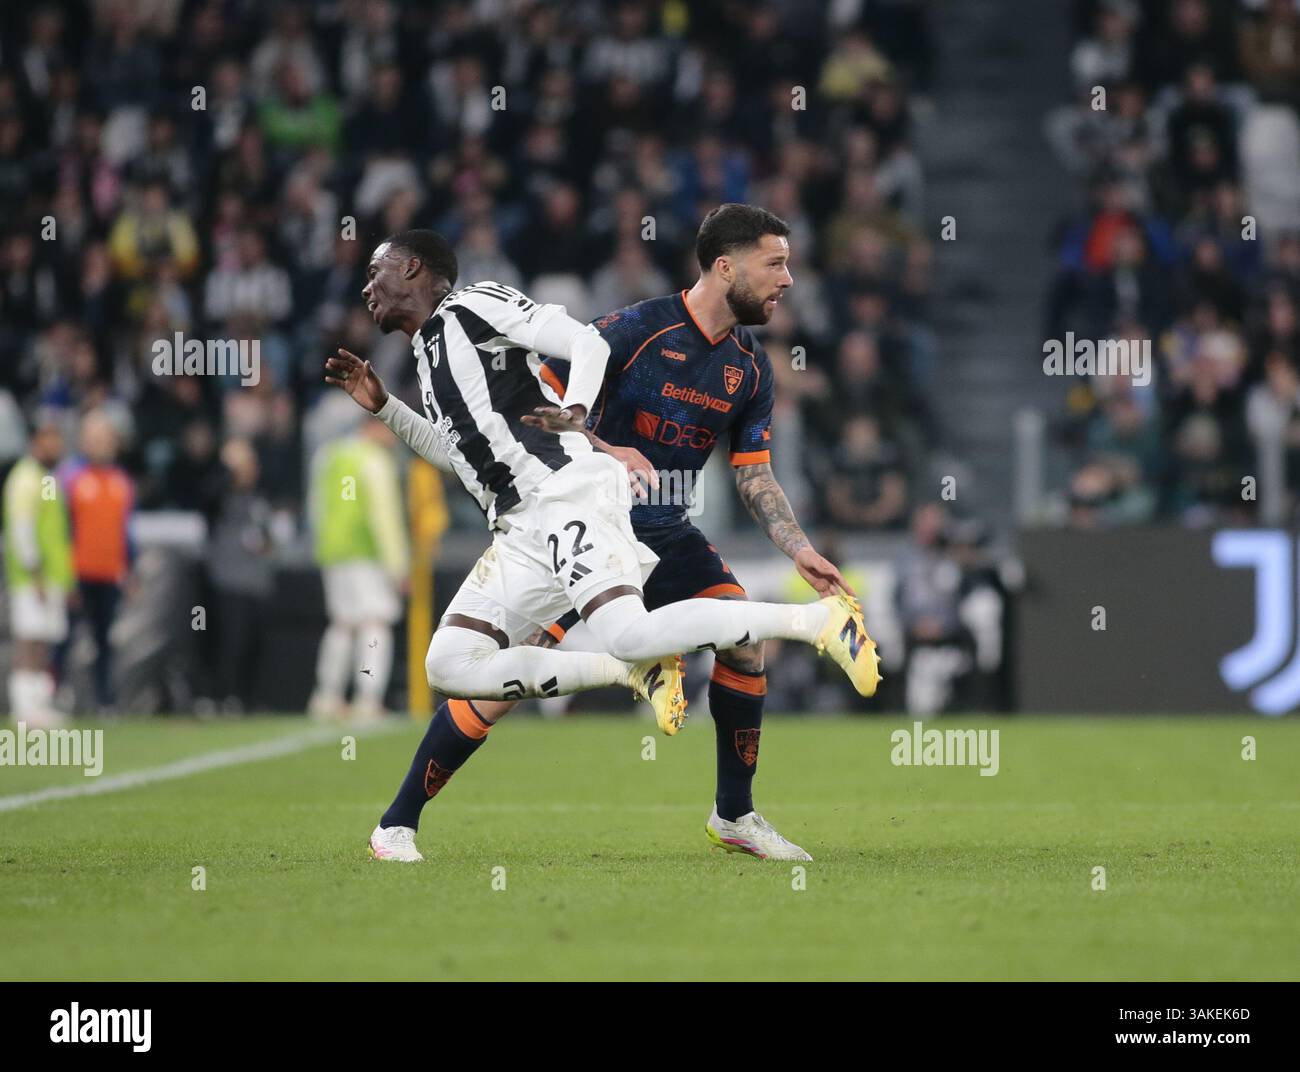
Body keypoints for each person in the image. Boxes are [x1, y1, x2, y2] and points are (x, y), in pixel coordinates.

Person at [325, 222, 880, 863]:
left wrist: (797, 546)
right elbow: (488, 435)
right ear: (728, 268)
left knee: (732, 644)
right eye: (775, 264)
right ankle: (401, 823)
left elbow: (584, 362)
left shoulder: (746, 366)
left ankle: (750, 777)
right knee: (456, 669)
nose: (787, 279)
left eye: (378, 271)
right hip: (537, 517)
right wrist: (385, 407)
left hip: (597, 506)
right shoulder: (618, 330)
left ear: (416, 270)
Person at [307, 419, 410, 723]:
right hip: (368, 554)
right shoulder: (374, 460)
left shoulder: (329, 455)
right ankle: (367, 698)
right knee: (374, 623)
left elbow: (315, 506)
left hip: (334, 553)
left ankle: (326, 696)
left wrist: (322, 547)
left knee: (342, 624)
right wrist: (398, 566)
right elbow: (384, 517)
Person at [60, 410, 134, 712]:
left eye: (104, 439)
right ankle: (57, 694)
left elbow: (127, 533)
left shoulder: (122, 483)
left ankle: (105, 700)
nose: (100, 445)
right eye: (93, 439)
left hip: (110, 573)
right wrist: (64, 574)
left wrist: (128, 569)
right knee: (63, 638)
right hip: (78, 572)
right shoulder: (70, 479)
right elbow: (61, 530)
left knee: (105, 640)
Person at [3, 417, 74, 726]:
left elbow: (53, 532)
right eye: (49, 439)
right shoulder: (25, 479)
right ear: (35, 442)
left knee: (43, 639)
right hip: (33, 578)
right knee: (29, 639)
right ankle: (24, 705)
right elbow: (22, 528)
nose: (55, 446)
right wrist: (35, 573)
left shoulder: (46, 479)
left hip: (51, 576)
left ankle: (39, 702)